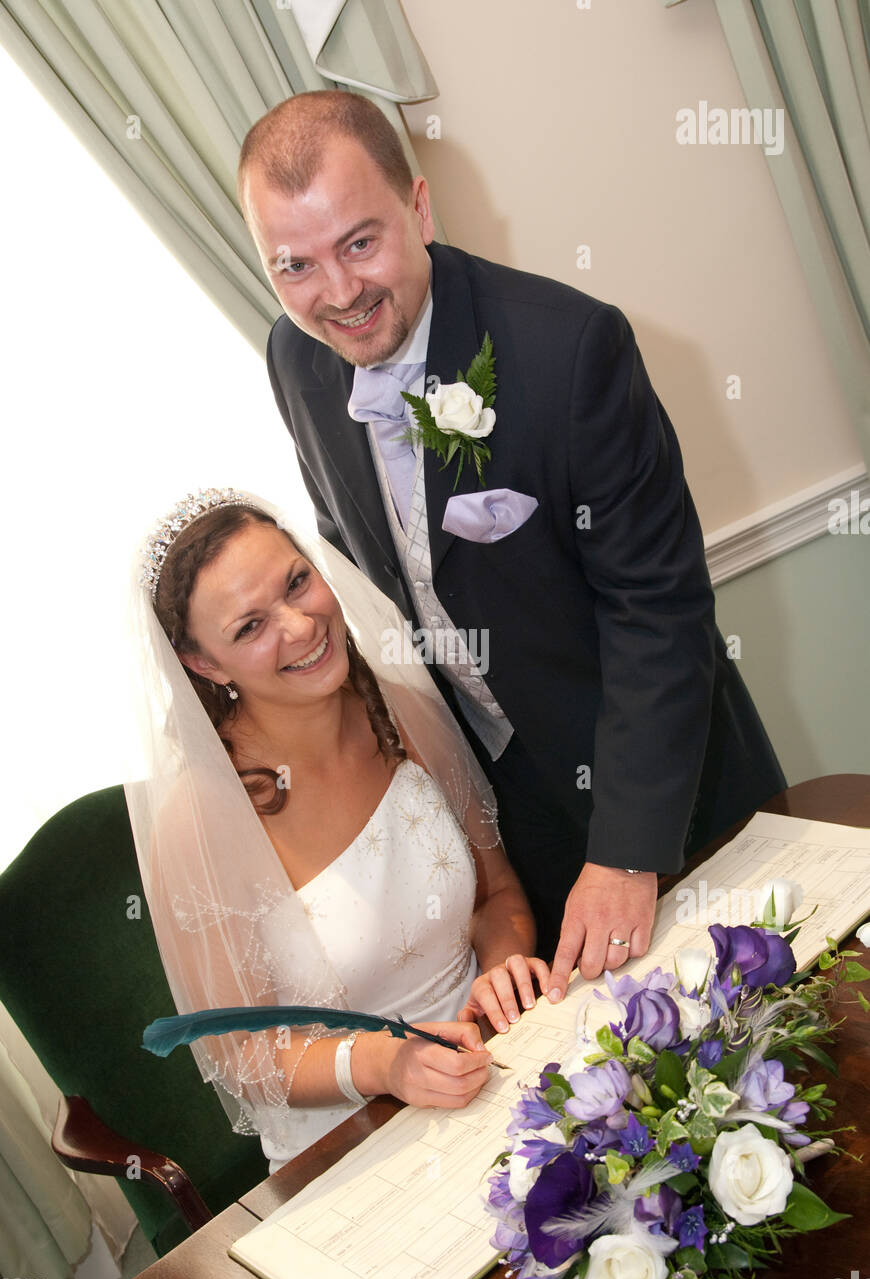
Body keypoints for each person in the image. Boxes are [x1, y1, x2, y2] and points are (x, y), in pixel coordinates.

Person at [236, 90, 787, 999]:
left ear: (418, 207)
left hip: (671, 790)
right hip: (513, 825)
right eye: (293, 265)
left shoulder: (571, 349)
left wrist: (624, 853)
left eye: (360, 243)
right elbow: (365, 561)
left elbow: (659, 609)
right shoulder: (294, 359)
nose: (337, 295)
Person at [126, 488, 546, 1172]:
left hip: (495, 1061)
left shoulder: (402, 712)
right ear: (204, 665)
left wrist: (501, 972)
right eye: (250, 627)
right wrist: (383, 1062)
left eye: (298, 581)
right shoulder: (201, 822)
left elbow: (496, 896)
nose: (300, 625)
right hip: (348, 1145)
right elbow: (240, 1056)